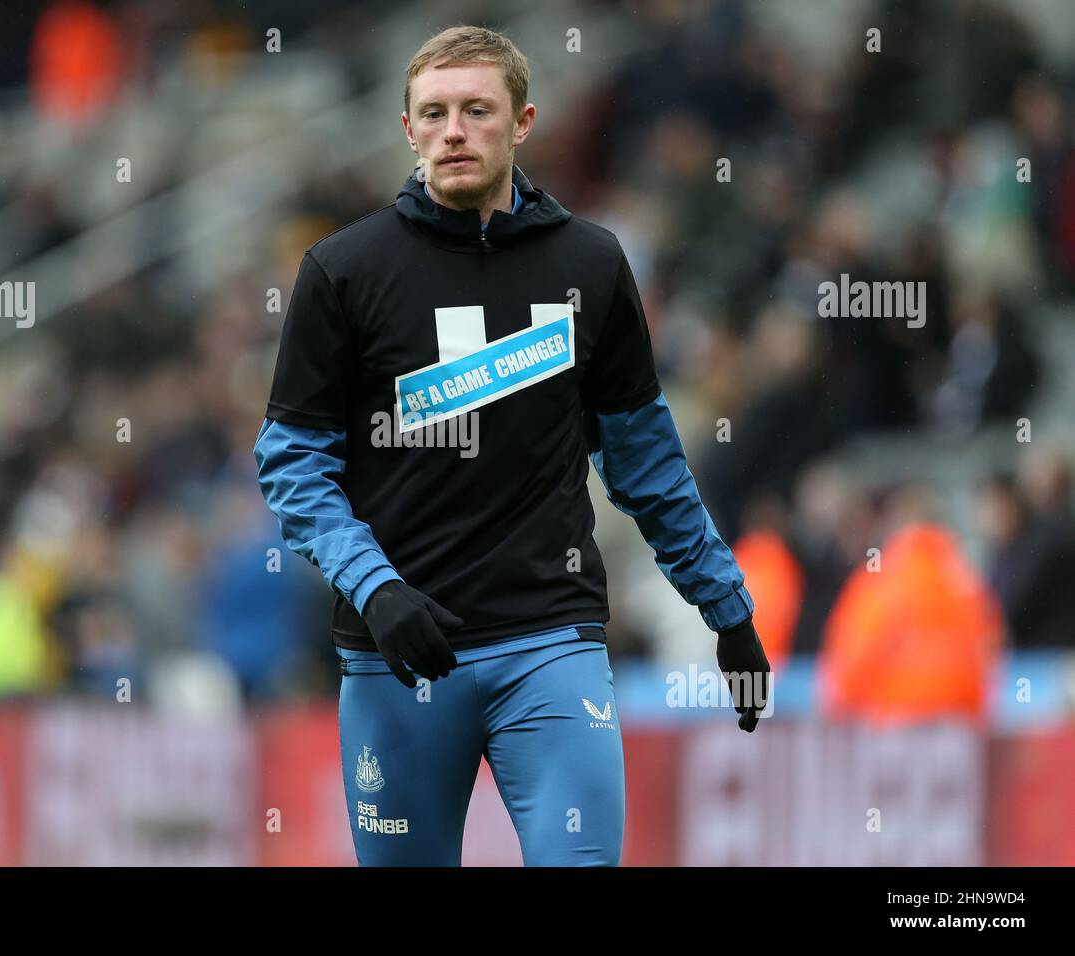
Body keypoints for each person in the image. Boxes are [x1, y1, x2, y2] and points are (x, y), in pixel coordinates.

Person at [254, 25, 769, 867]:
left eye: (476, 110)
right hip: (397, 657)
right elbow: (292, 462)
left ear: (522, 121)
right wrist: (376, 588)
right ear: (408, 129)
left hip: (549, 643)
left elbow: (643, 461)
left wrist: (727, 607)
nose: (454, 130)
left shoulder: (592, 265)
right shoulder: (342, 273)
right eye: (434, 113)